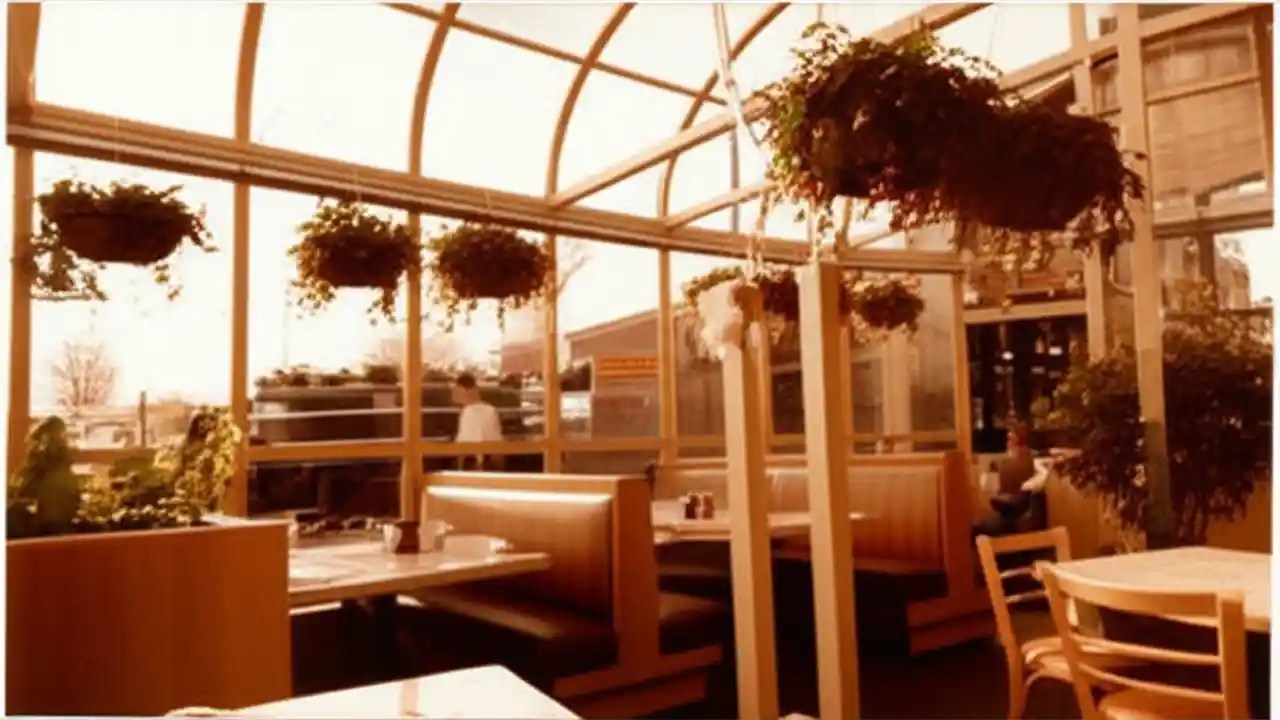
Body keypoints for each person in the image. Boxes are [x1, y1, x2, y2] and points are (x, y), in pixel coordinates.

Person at [452, 372, 503, 470]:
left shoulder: (468, 412)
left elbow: (464, 441)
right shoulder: (490, 410)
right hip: (489, 456)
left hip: (475, 458)